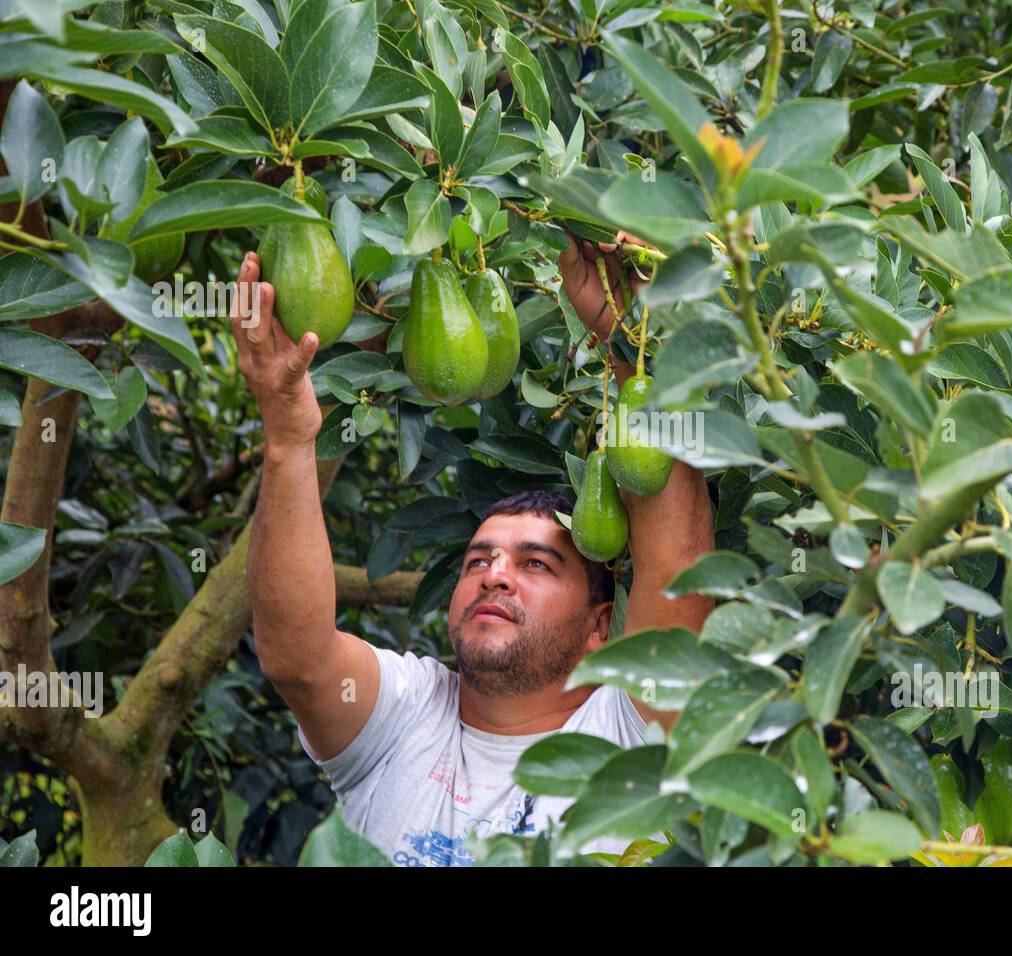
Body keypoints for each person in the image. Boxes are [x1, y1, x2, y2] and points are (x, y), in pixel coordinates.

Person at [228, 234, 715, 866]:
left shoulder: (630, 733)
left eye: (535, 563)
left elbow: (678, 565)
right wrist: (289, 440)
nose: (495, 576)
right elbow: (298, 659)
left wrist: (624, 337)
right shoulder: (404, 717)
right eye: (477, 561)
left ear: (602, 625)